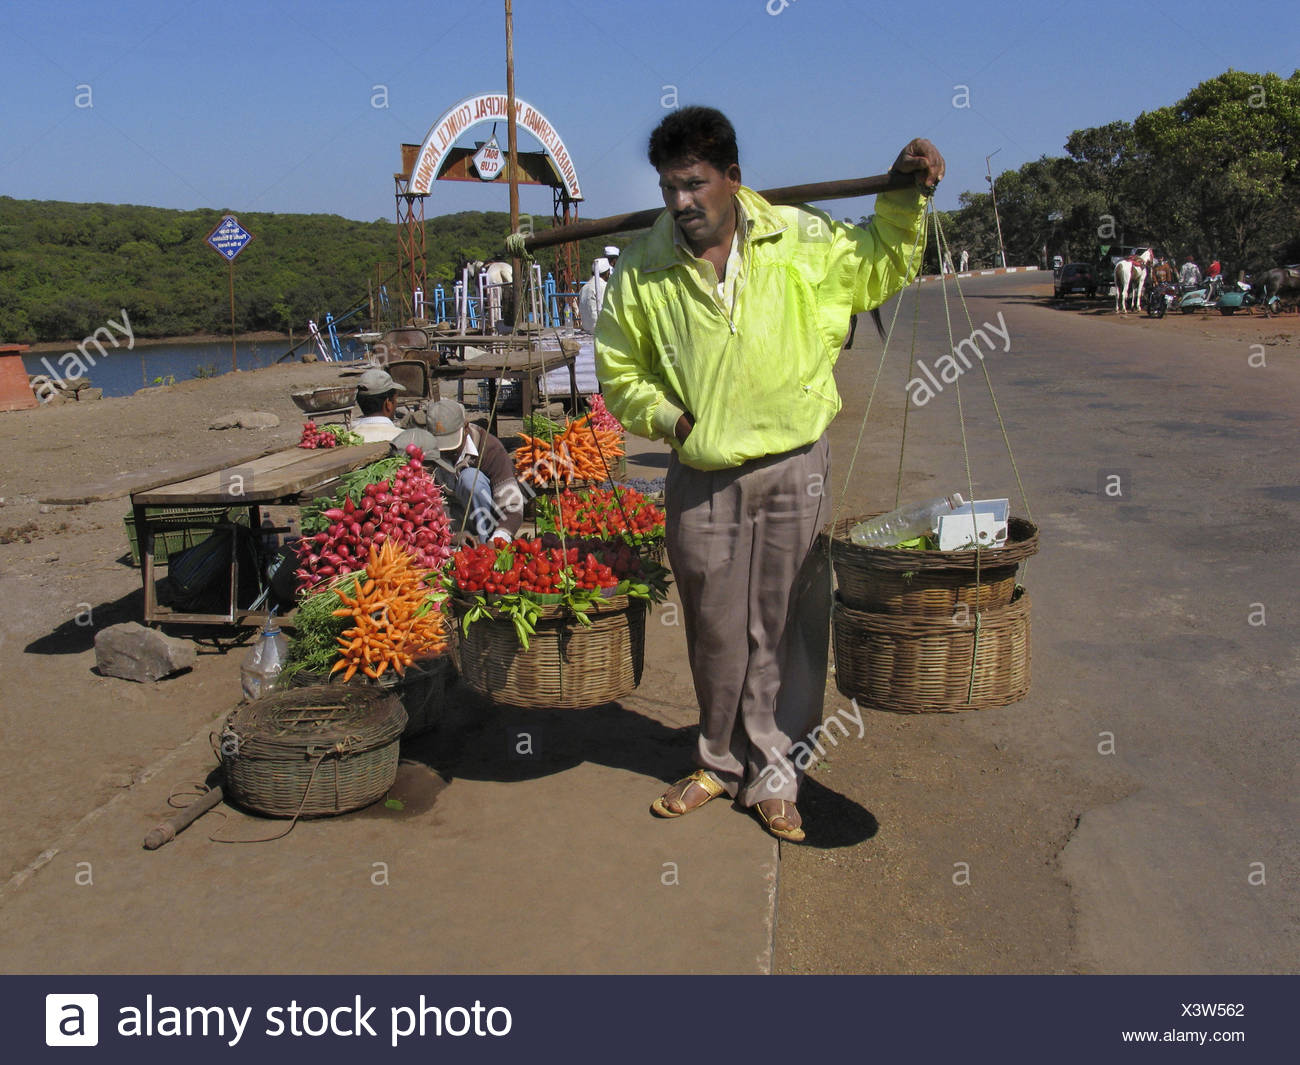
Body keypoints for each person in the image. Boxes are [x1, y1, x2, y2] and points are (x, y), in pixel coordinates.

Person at [594, 105, 941, 842]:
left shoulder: (801, 238)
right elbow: (620, 371)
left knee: (788, 629)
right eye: (668, 188)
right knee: (716, 627)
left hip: (794, 466)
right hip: (703, 474)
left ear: (733, 179)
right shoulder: (644, 266)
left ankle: (778, 775)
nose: (681, 202)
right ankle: (717, 762)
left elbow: (880, 261)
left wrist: (906, 196)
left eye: (694, 184)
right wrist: (674, 423)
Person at [394, 399, 523, 545]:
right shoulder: (425, 452)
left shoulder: (489, 448)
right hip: (449, 521)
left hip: (486, 517)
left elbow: (513, 505)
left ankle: (484, 541)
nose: (448, 453)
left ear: (466, 428)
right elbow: (423, 505)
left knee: (470, 479)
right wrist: (450, 535)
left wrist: (497, 540)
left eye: (452, 447)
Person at [352, 368, 411, 443]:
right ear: (388, 403)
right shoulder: (404, 439)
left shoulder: (348, 439)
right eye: (395, 400)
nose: (396, 403)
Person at [579, 257, 612, 333]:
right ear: (607, 273)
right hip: (600, 329)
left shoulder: (584, 288)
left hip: (587, 328)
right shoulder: (605, 286)